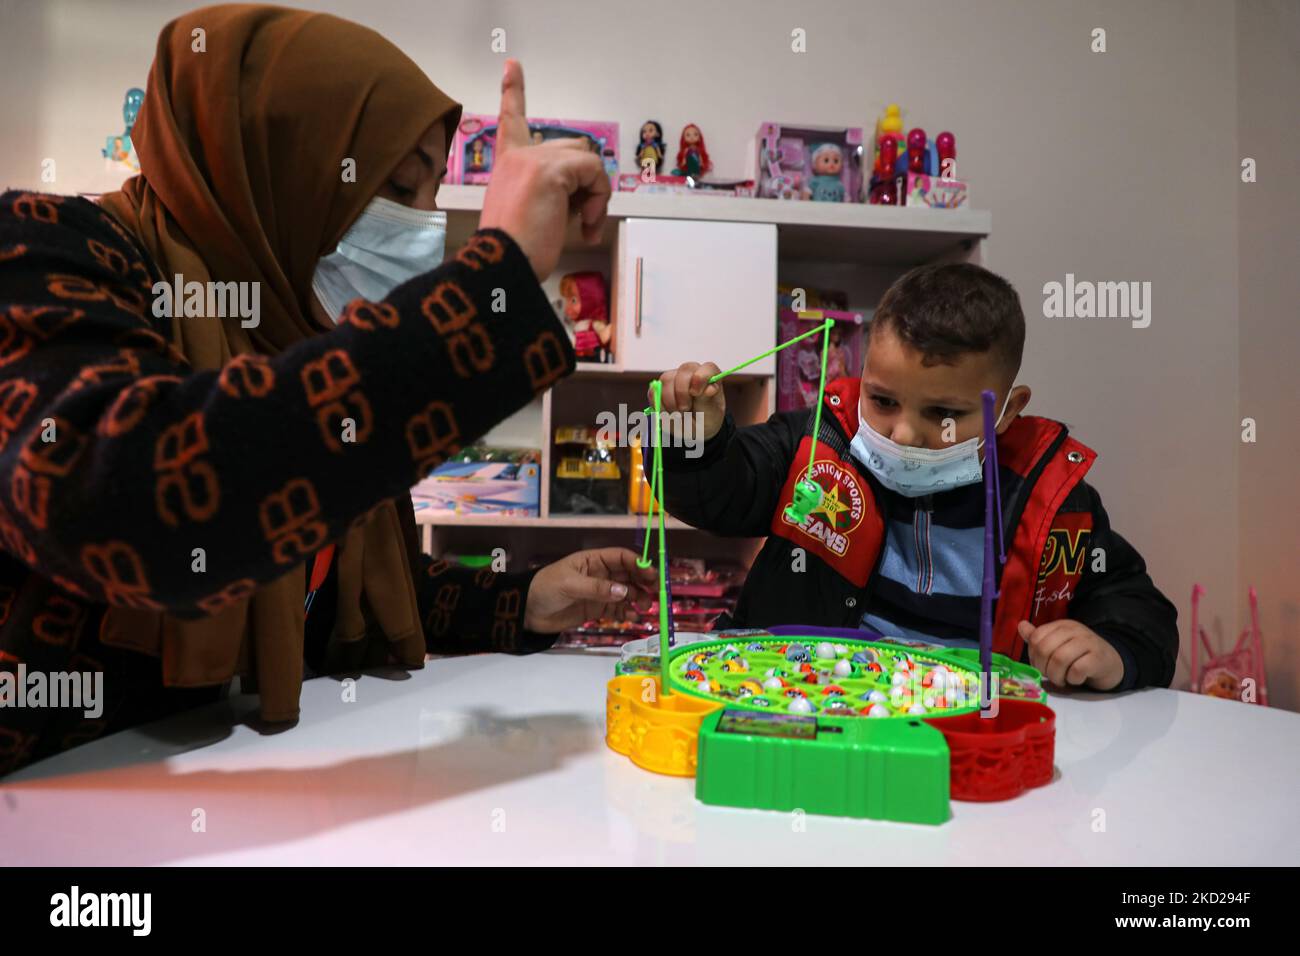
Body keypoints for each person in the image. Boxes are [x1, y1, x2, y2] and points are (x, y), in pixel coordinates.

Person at [0, 5, 653, 777]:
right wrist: (488, 287)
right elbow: (130, 501)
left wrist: (524, 599)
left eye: (430, 189)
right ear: (273, 164)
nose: (421, 226)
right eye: (394, 185)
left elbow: (357, 586)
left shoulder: (300, 341)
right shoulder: (47, 249)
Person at [651, 263, 1179, 691]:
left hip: (964, 737)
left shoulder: (1050, 499)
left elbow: (1138, 608)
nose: (904, 433)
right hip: (811, 710)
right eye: (882, 400)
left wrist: (1114, 650)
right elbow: (719, 496)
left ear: (1007, 412)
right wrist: (695, 439)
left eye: (943, 414)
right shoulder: (820, 441)